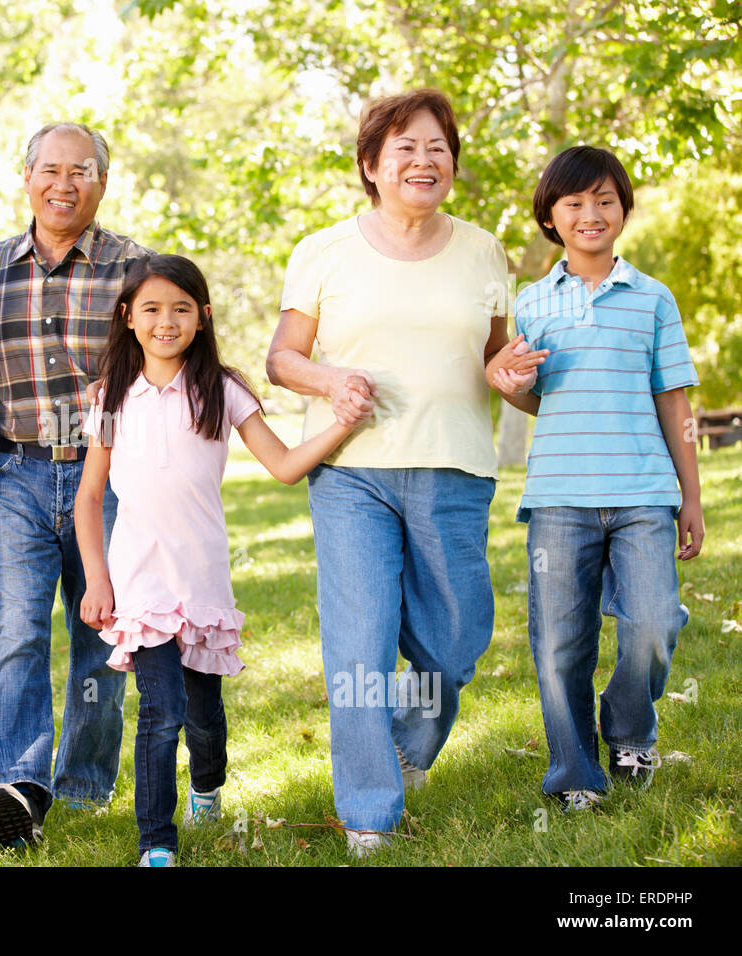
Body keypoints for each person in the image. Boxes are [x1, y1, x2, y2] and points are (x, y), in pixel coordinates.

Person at [266, 88, 545, 857]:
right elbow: (282, 358)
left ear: (452, 163)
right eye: (405, 149)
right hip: (352, 470)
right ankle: (368, 813)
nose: (424, 161)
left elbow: (496, 355)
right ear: (370, 165)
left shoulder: (484, 250)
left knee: (454, 640)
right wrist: (330, 382)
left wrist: (510, 374)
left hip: (455, 464)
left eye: (437, 149)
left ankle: (407, 748)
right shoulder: (323, 249)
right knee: (359, 645)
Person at [75, 254, 369, 867]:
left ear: (203, 317)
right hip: (140, 580)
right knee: (160, 712)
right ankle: (156, 842)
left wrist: (340, 424)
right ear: (128, 317)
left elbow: (285, 466)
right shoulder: (108, 395)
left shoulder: (223, 389)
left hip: (201, 577)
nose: (166, 321)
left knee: (203, 714)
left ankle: (206, 786)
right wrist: (97, 579)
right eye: (151, 309)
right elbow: (89, 496)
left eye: (181, 308)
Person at [488, 145, 702, 812]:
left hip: (643, 493)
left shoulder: (652, 298)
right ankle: (575, 773)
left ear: (623, 209)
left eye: (604, 200)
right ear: (551, 216)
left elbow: (674, 400)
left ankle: (629, 725)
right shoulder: (531, 304)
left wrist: (691, 497)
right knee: (559, 645)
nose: (591, 213)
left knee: (652, 625)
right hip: (559, 498)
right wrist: (509, 383)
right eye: (575, 202)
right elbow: (531, 394)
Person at [0, 122, 151, 847]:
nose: (64, 184)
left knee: (101, 636)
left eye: (81, 171)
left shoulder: (137, 269)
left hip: (104, 474)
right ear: (27, 177)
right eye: (50, 169)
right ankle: (17, 786)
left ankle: (81, 787)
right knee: (15, 634)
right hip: (14, 471)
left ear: (102, 183)